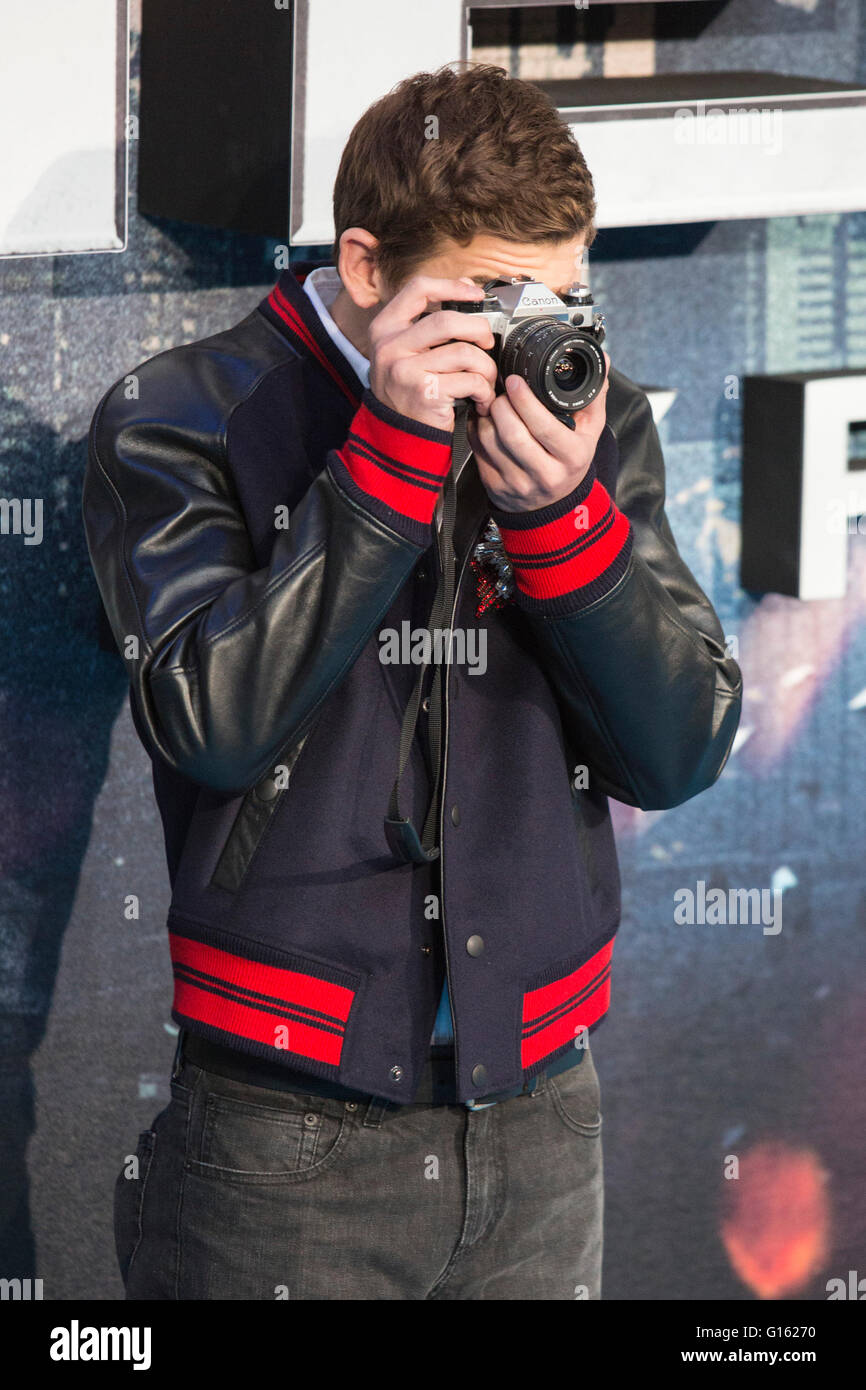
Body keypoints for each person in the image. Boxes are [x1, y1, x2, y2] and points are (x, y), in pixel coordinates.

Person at [82, 62, 742, 1301]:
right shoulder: (178, 415)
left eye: (557, 300)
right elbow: (210, 726)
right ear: (369, 266)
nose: (528, 336)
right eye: (489, 299)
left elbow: (682, 748)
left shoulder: (590, 421)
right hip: (287, 1126)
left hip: (547, 1112)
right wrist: (384, 465)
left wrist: (559, 522)